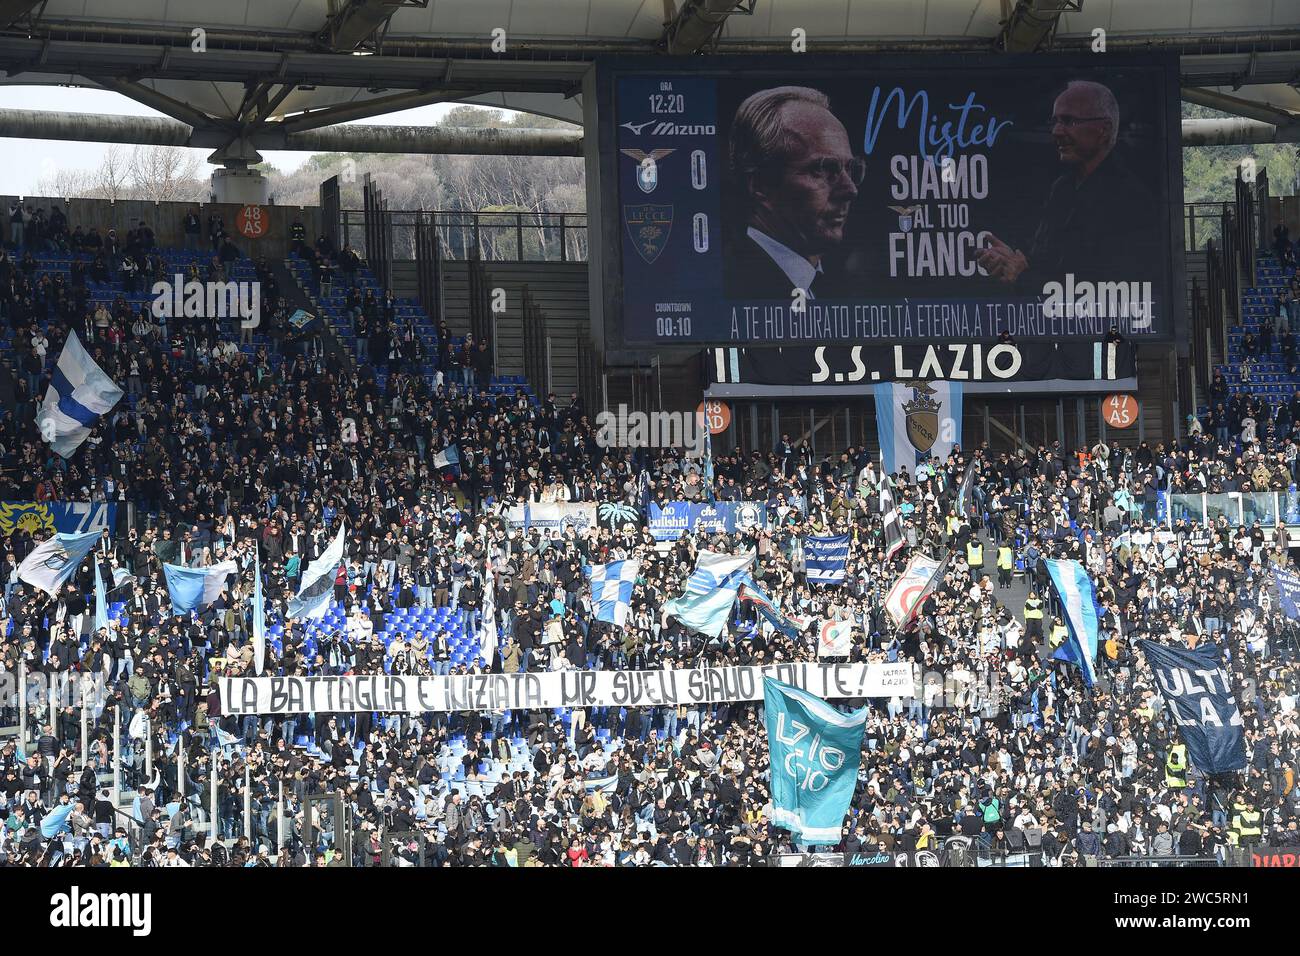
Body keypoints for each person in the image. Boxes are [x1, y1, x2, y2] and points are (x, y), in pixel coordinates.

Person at [976, 80, 1158, 310]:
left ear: (1104, 129)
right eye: (1055, 121)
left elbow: (1099, 292)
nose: (1057, 132)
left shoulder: (1131, 200)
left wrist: (1023, 277)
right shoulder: (1061, 189)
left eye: (1069, 121)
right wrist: (1012, 263)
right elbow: (1045, 264)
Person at [724, 85, 861, 299]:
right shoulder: (734, 286)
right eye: (822, 169)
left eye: (851, 170)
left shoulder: (837, 288)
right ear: (760, 184)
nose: (850, 190)